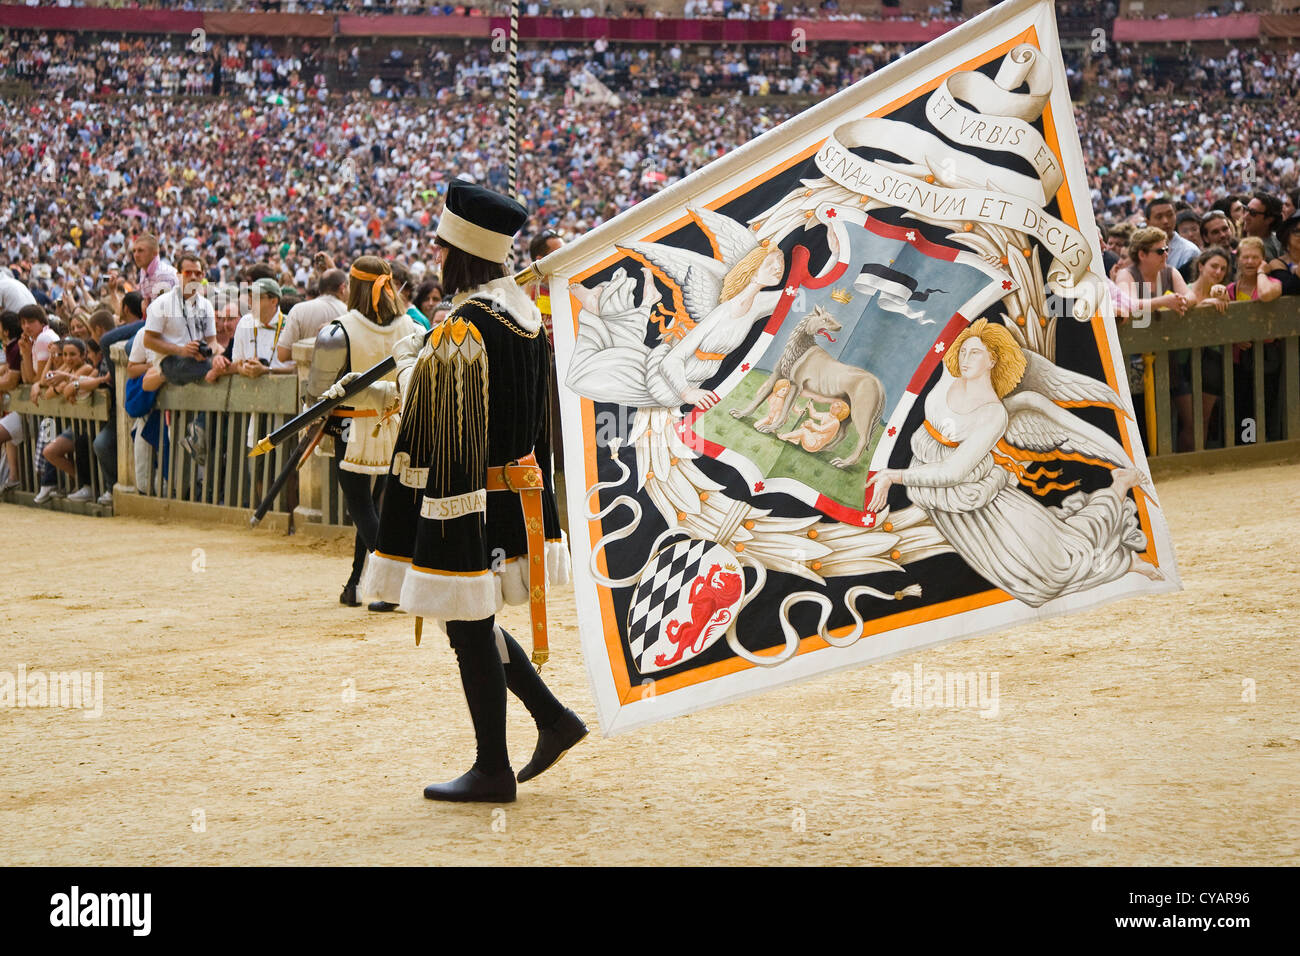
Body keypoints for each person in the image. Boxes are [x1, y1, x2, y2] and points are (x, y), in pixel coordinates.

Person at [364, 180, 585, 804]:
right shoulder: (520, 315)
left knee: (467, 622)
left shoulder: (466, 325)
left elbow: (440, 418)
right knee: (471, 620)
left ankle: (494, 767)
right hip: (513, 488)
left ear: (457, 253)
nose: (435, 258)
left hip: (471, 497)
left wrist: (412, 368)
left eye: (441, 248)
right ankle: (550, 720)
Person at [864, 318, 1157, 608]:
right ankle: (1115, 501)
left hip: (977, 499)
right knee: (1031, 575)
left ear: (993, 359)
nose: (965, 358)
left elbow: (954, 471)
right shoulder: (950, 376)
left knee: (1055, 567)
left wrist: (893, 476)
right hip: (946, 497)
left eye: (975, 353)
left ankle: (1123, 543)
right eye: (963, 351)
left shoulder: (994, 414)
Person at [314, 256, 421, 611]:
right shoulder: (410, 326)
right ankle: (356, 584)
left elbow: (317, 391)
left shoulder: (338, 330)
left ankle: (397, 581)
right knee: (374, 507)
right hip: (395, 425)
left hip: (353, 425)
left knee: (361, 505)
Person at [275, 267, 347, 369]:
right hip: (340, 381)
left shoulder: (299, 310)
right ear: (343, 288)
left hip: (305, 380)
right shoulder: (349, 313)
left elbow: (282, 354)